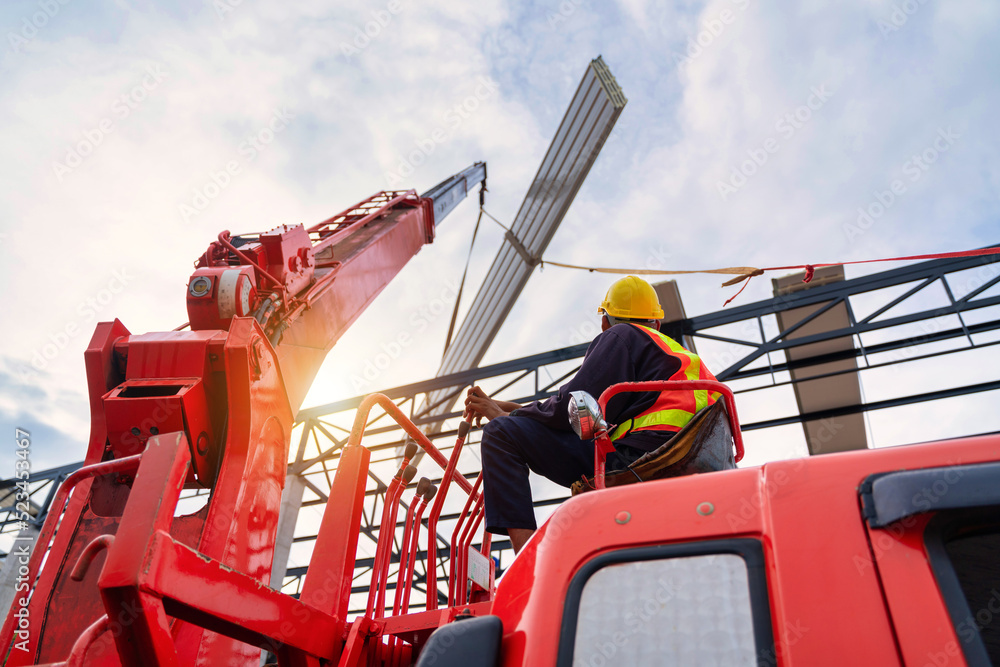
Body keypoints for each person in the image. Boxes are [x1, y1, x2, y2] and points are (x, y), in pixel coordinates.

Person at [464, 275, 719, 554]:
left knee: (501, 434)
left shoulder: (621, 336)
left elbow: (572, 404)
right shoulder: (682, 360)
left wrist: (506, 419)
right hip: (695, 460)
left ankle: (527, 558)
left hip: (637, 458)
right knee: (512, 423)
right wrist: (517, 410)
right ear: (657, 323)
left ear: (604, 322)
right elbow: (585, 409)